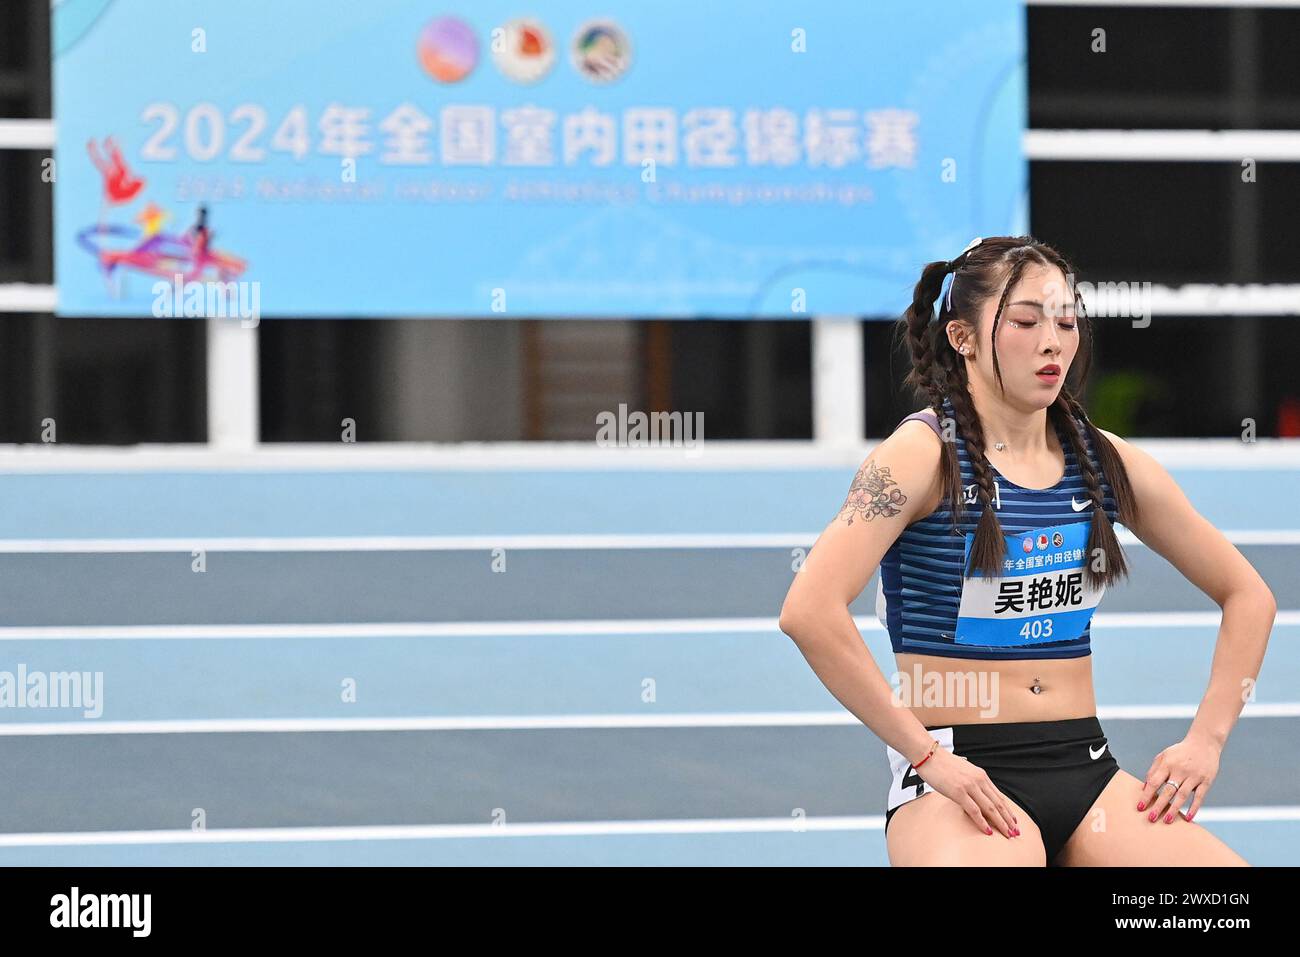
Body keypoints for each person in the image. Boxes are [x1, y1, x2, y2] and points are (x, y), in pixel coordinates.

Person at [778, 235, 1274, 866]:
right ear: (961, 337)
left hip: (1086, 770)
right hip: (961, 778)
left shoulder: (1106, 461)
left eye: (1066, 321)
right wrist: (928, 759)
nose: (1052, 341)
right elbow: (809, 609)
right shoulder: (920, 456)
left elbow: (1249, 594)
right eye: (1025, 321)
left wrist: (1207, 739)